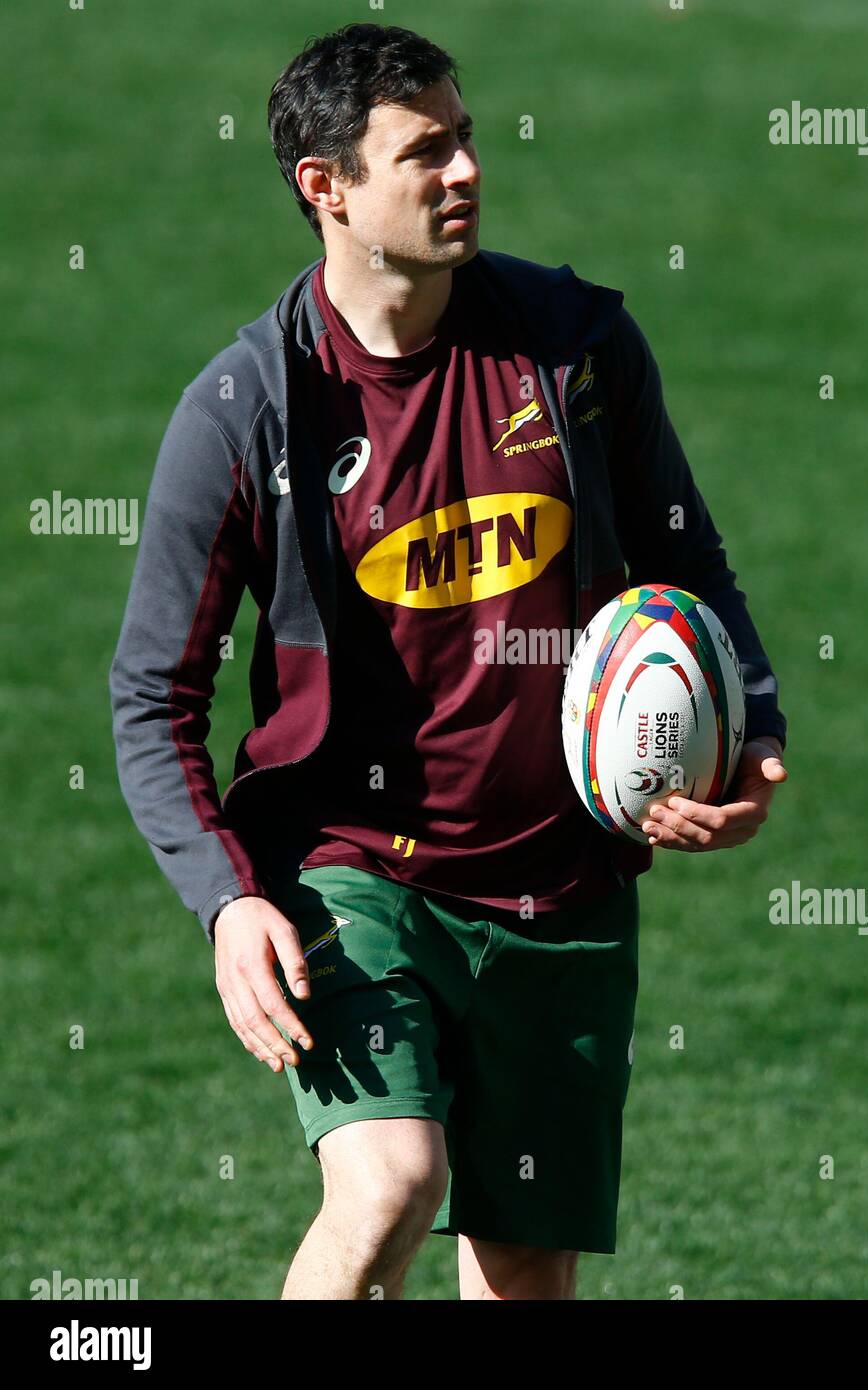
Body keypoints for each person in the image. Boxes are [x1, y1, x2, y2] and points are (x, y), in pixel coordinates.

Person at [110, 21, 788, 1300]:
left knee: (523, 1266)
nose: (466, 169)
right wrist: (227, 898)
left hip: (562, 881)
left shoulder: (572, 346)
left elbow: (686, 555)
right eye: (425, 153)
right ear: (327, 189)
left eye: (464, 137)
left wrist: (751, 724)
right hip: (358, 871)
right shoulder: (247, 412)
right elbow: (154, 696)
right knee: (388, 1183)